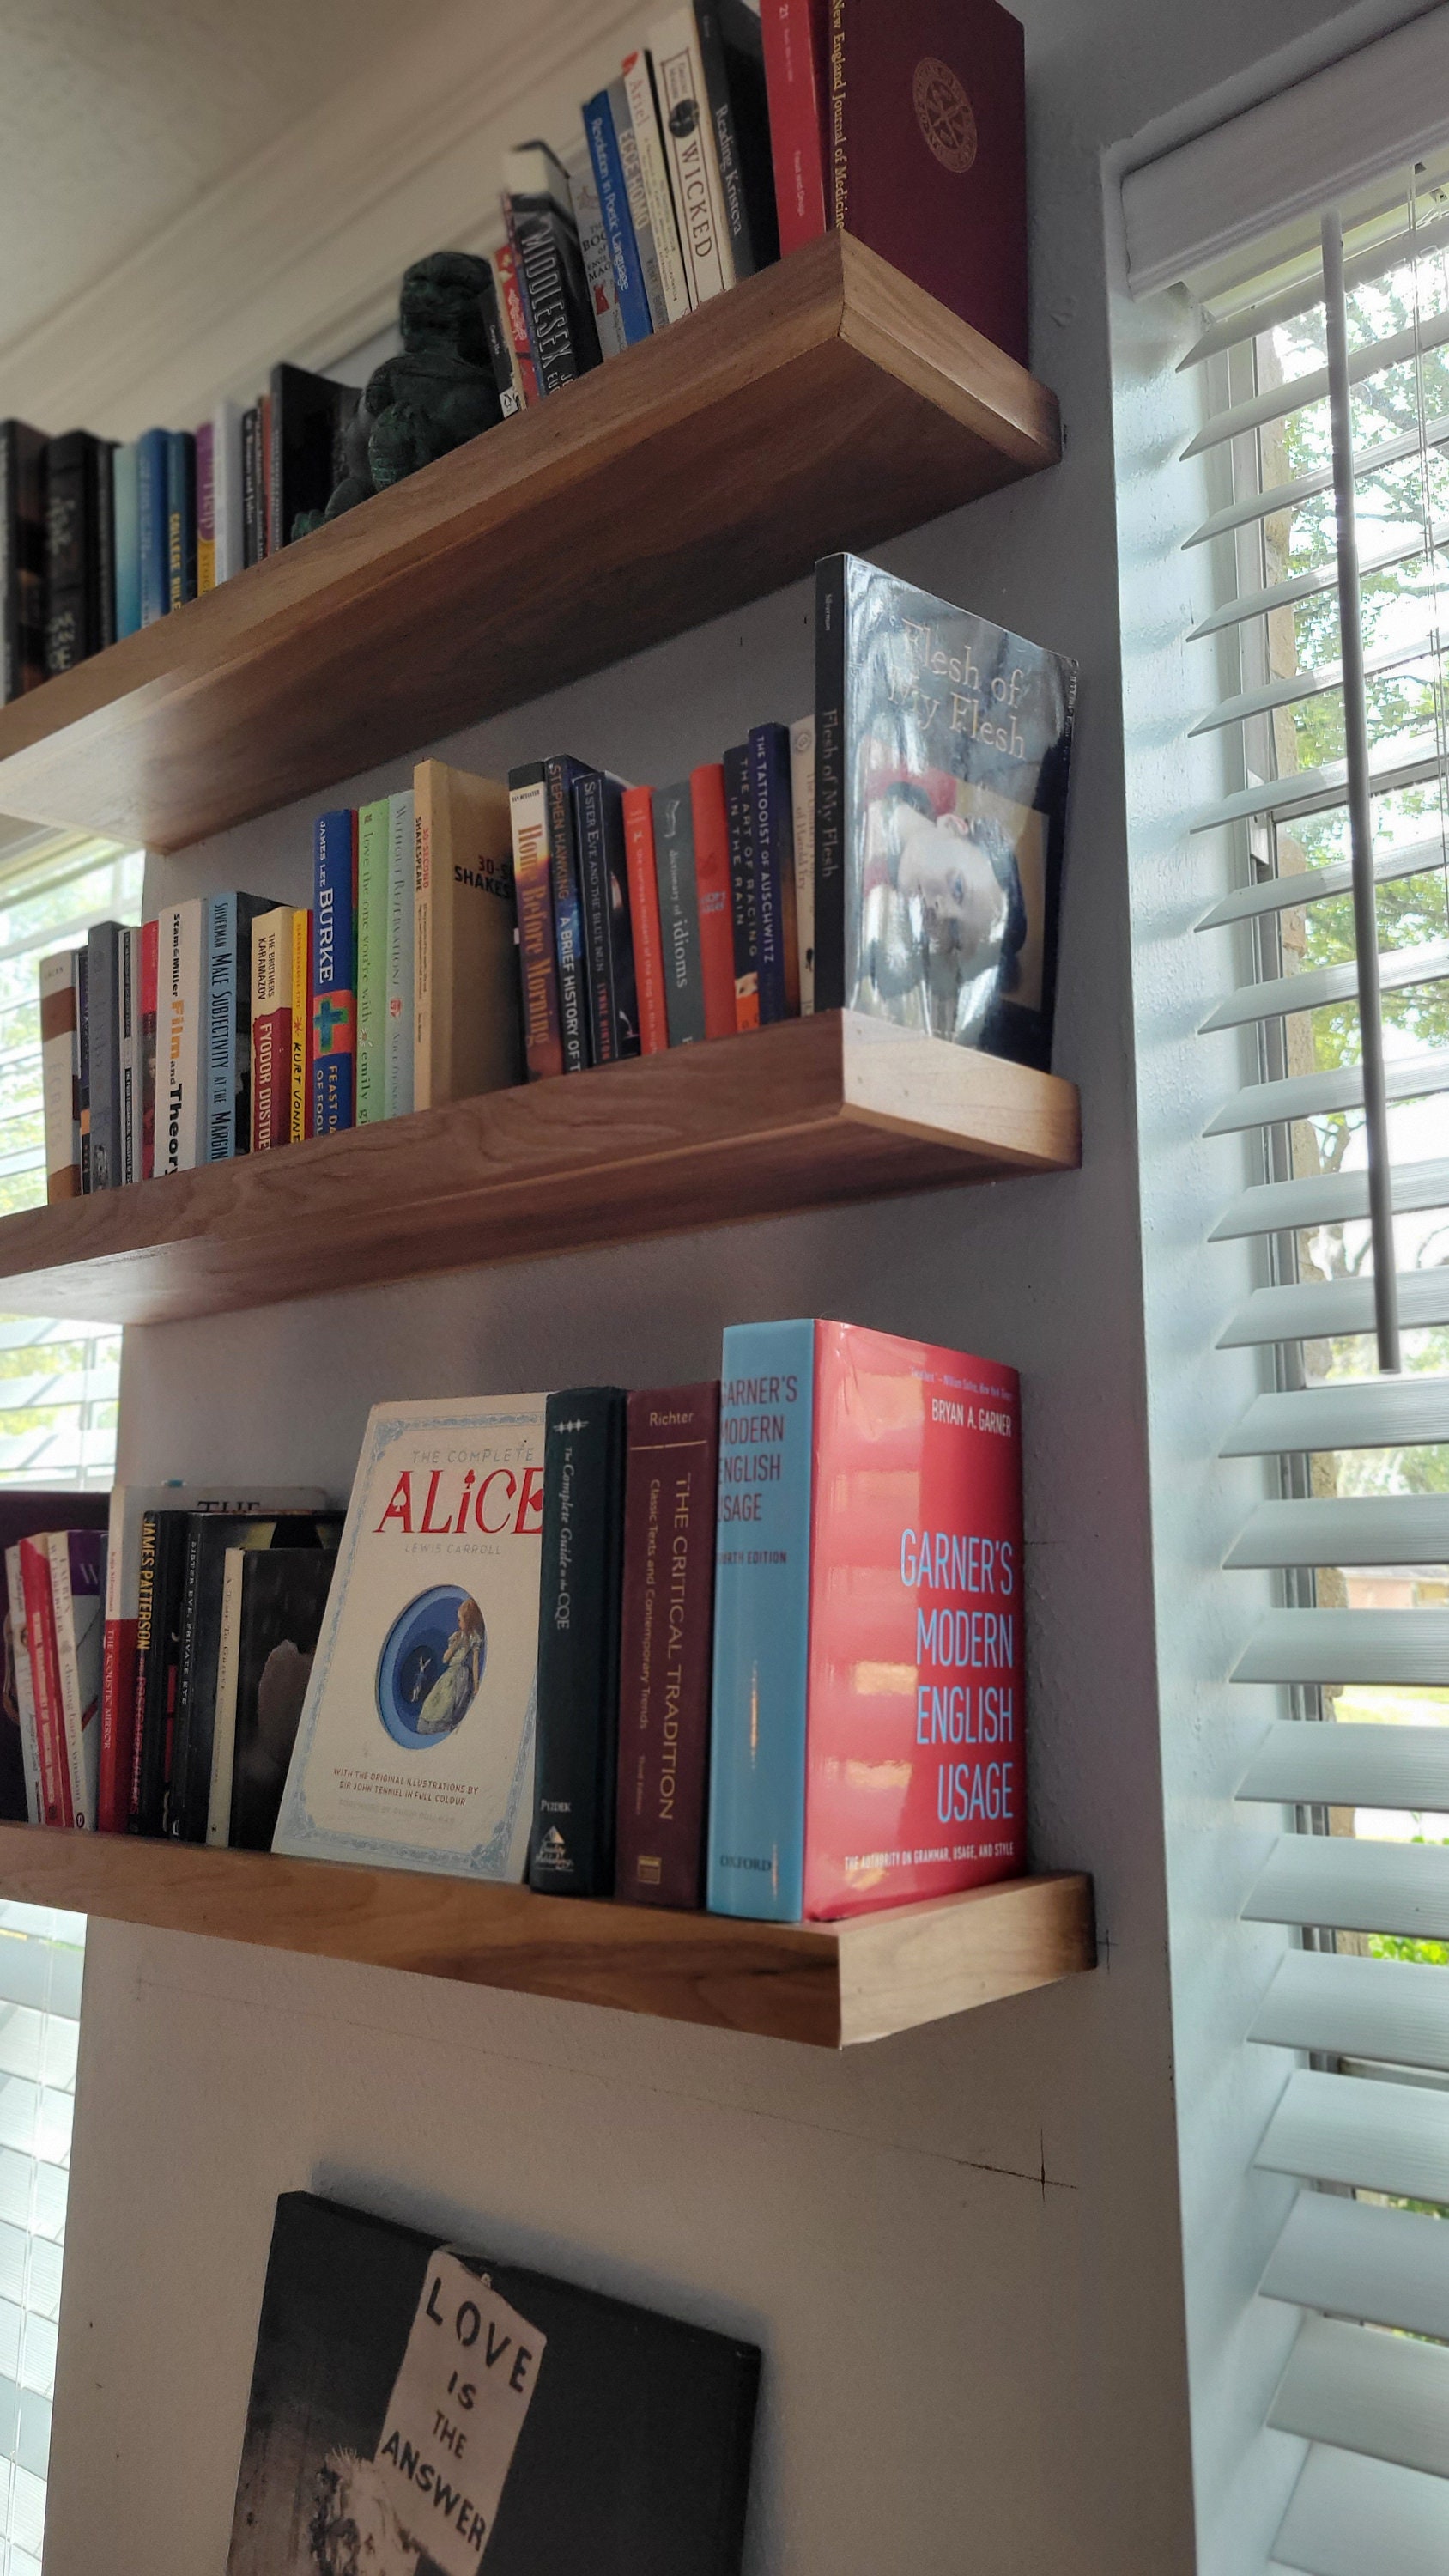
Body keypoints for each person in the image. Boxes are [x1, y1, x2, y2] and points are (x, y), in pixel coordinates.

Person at [854, 773, 1028, 1048]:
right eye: (958, 888)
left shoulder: (869, 926)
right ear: (952, 825)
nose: (943, 913)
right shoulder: (931, 779)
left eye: (956, 935)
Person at [414, 1595, 484, 1738]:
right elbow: (445, 1659)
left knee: (448, 1704)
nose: (459, 1624)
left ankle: (444, 1725)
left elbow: (475, 1662)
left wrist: (476, 1686)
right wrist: (455, 1645)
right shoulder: (456, 1637)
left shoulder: (474, 1639)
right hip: (448, 1676)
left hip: (460, 1676)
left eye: (461, 1620)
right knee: (433, 1701)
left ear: (469, 1621)